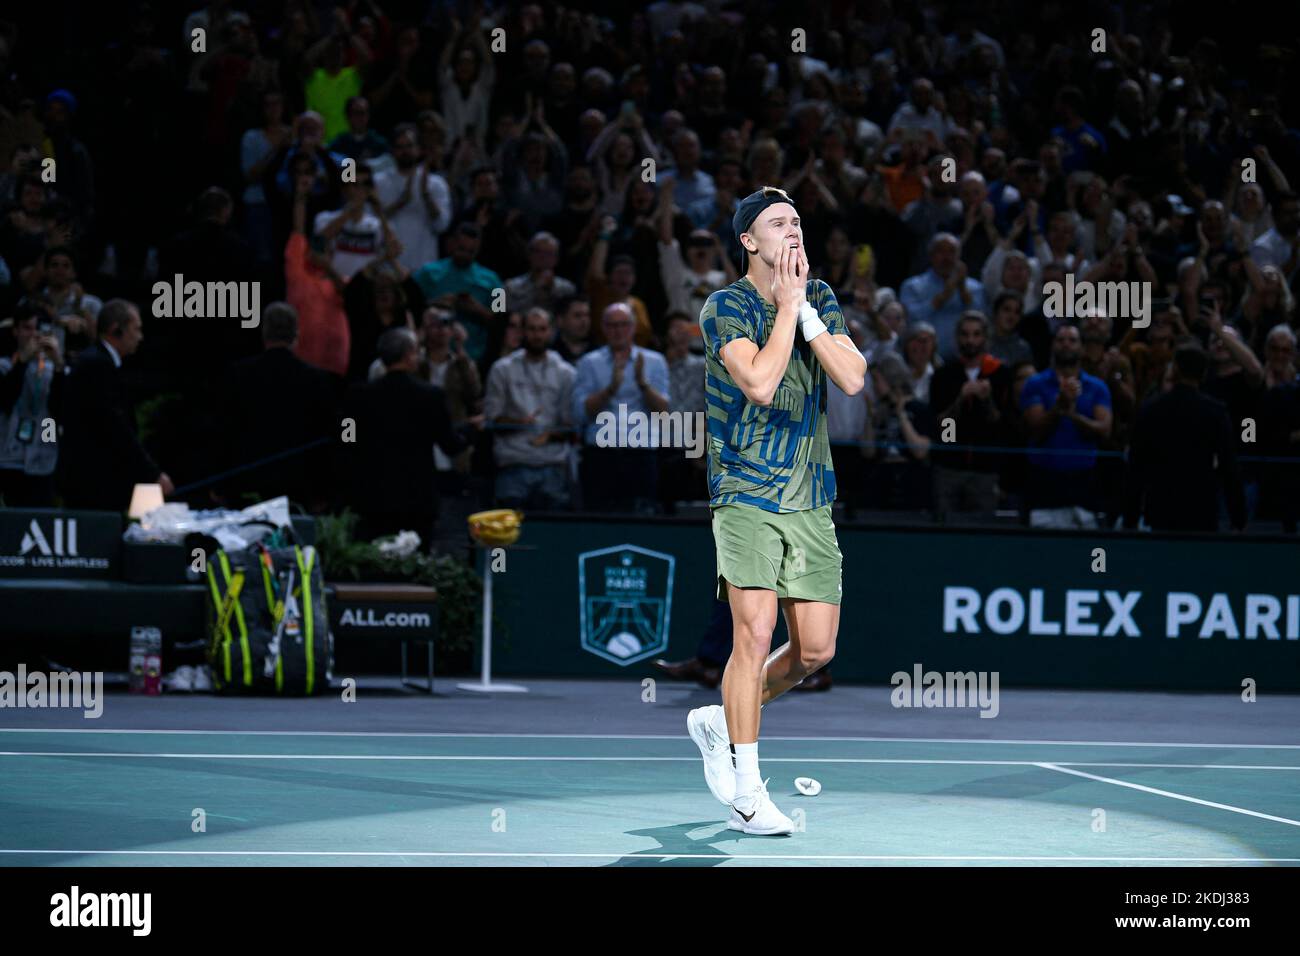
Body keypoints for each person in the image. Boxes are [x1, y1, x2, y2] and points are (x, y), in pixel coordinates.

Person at [690, 186, 865, 835]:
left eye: (796, 221)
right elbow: (760, 383)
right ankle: (746, 791)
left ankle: (720, 720)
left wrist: (805, 310)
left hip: (810, 493)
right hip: (745, 491)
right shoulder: (725, 306)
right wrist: (787, 307)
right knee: (754, 633)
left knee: (815, 651)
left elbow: (851, 378)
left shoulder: (819, 299)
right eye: (777, 223)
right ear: (748, 240)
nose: (792, 230)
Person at [338, 327, 479, 544]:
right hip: (417, 498)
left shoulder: (358, 395)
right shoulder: (430, 396)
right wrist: (471, 431)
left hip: (372, 495)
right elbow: (450, 445)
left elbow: (347, 440)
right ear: (409, 355)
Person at [219, 302, 341, 508]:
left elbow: (224, 431)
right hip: (301, 486)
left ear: (264, 332)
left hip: (247, 483)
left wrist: (222, 484)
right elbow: (333, 433)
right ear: (296, 334)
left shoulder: (238, 375)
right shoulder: (318, 380)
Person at [58, 300, 174, 510]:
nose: (140, 337)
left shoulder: (99, 363)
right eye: (136, 329)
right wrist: (152, 473)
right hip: (94, 482)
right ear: (116, 330)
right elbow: (114, 427)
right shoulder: (97, 365)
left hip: (94, 479)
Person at [1124, 339, 1245, 532]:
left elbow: (1136, 466)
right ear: (1204, 373)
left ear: (1175, 370)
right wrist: (1239, 519)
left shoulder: (1151, 409)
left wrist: (1129, 519)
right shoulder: (1215, 412)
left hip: (1161, 507)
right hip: (1201, 508)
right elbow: (1229, 466)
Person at [571, 302, 669, 512]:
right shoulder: (589, 362)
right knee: (600, 520)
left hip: (641, 453)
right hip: (600, 453)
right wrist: (611, 389)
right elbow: (581, 413)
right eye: (612, 325)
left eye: (623, 324)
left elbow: (664, 411)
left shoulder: (654, 361)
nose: (618, 331)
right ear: (604, 328)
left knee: (643, 519)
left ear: (633, 327)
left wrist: (643, 384)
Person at [1019, 324, 1112, 527]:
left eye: (1072, 340)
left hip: (1084, 481)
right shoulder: (1035, 384)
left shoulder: (1097, 387)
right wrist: (1060, 406)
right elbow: (1036, 430)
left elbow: (1104, 430)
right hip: (1044, 480)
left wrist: (1072, 415)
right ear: (1052, 345)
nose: (1066, 345)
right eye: (1061, 340)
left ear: (1081, 347)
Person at [483, 306, 575, 510]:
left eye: (542, 329)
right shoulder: (502, 369)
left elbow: (571, 424)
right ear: (523, 332)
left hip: (553, 465)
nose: (537, 335)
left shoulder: (566, 373)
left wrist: (549, 435)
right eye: (532, 329)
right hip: (513, 464)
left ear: (551, 332)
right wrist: (519, 423)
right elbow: (491, 420)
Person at [0, 306, 66, 505]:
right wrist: (21, 362)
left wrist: (59, 367)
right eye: (28, 328)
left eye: (40, 330)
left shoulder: (55, 369)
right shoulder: (4, 365)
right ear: (16, 331)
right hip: (8, 457)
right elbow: (5, 400)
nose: (34, 335)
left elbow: (61, 410)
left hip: (44, 459)